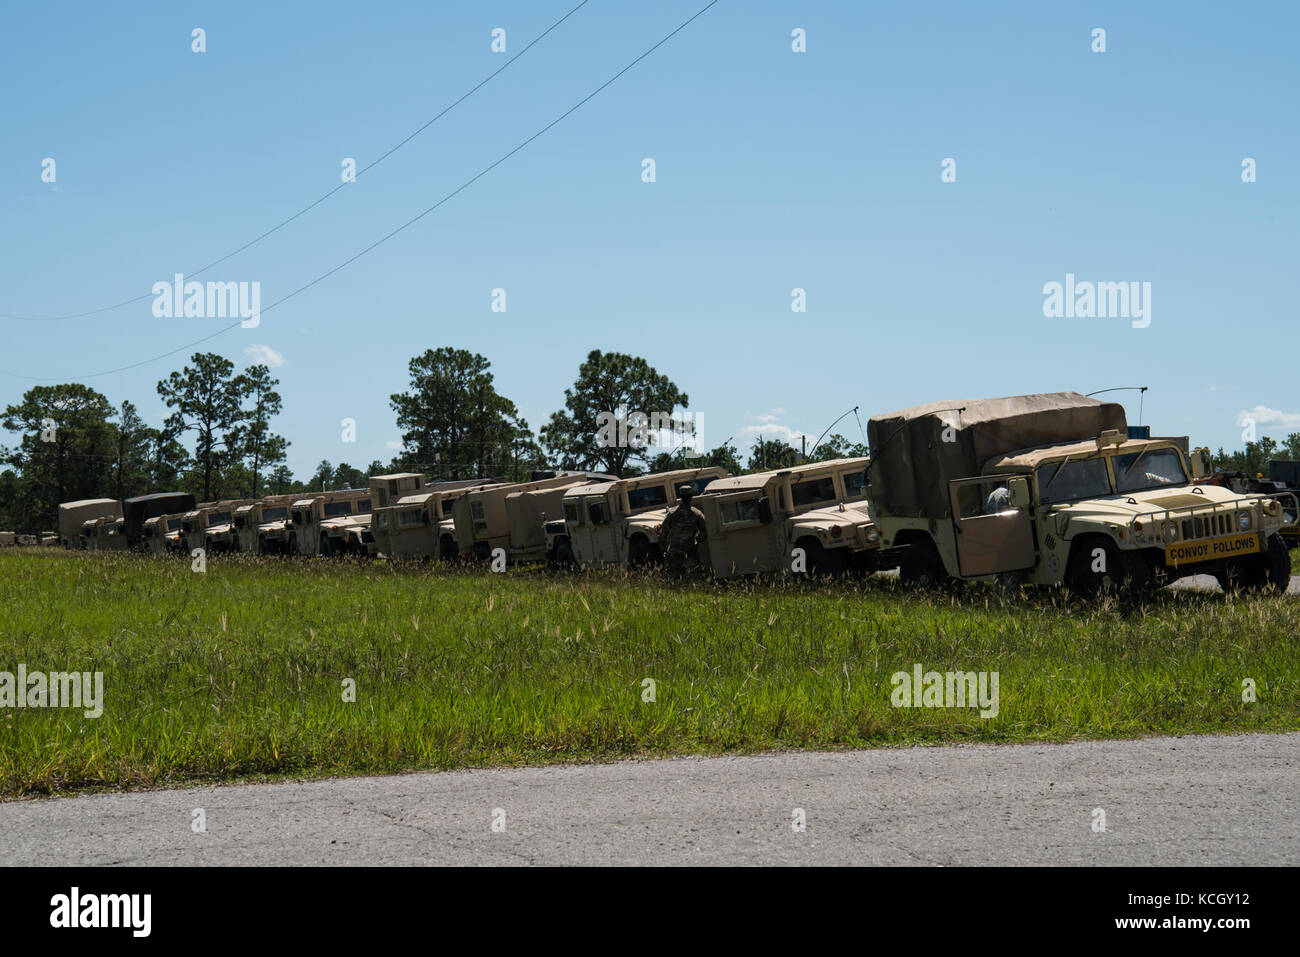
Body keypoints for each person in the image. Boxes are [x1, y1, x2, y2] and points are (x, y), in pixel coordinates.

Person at [661, 485, 707, 579]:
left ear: (680, 497)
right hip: (690, 550)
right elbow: (704, 533)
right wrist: (697, 538)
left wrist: (663, 546)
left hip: (674, 550)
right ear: (691, 497)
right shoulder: (697, 513)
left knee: (674, 578)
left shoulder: (672, 512)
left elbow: (664, 532)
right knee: (694, 577)